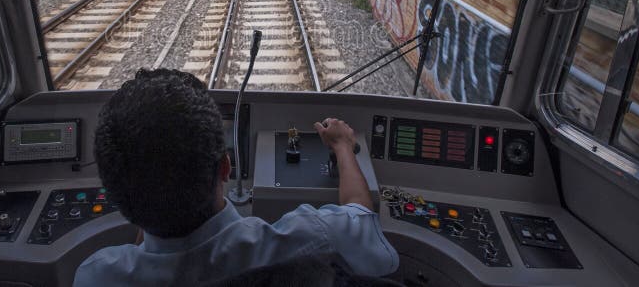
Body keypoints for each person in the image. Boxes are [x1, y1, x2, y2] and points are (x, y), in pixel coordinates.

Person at [74, 69, 399, 286]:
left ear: (116, 197)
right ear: (225, 168)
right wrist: (343, 145)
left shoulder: (95, 275)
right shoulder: (312, 240)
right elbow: (361, 213)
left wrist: (149, 201)